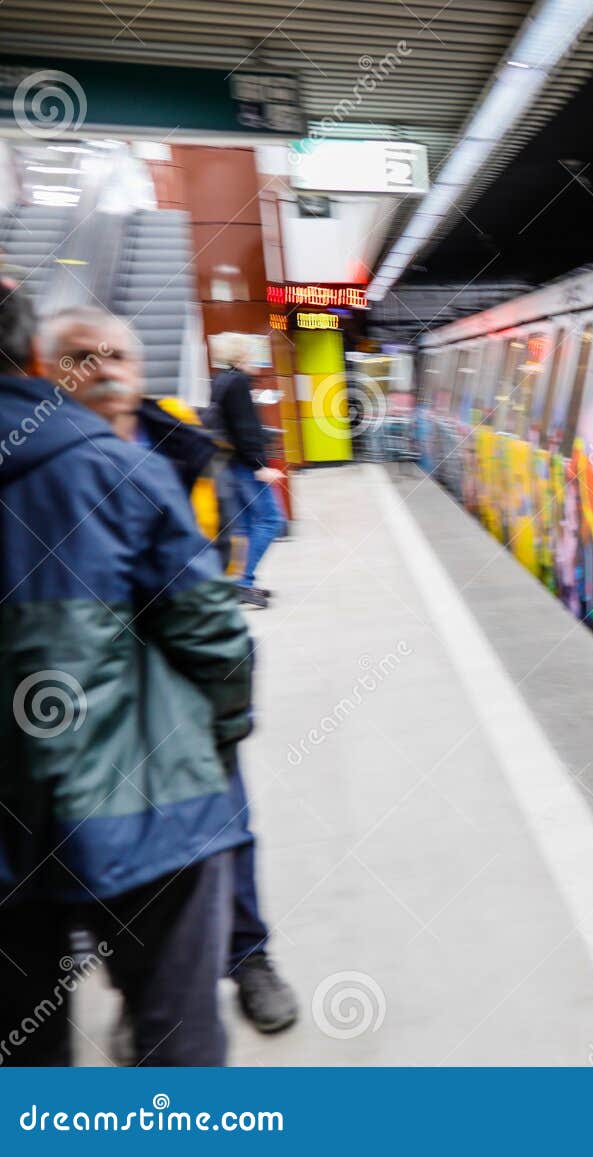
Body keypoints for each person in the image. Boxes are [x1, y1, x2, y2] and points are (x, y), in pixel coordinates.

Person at [0, 287, 252, 1066]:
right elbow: (215, 636)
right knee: (174, 1039)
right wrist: (220, 734)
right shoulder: (113, 467)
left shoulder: (156, 450)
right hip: (150, 811)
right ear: (37, 360)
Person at [39, 307, 300, 1040]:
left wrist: (224, 715)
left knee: (227, 832)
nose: (103, 369)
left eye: (117, 354)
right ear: (49, 369)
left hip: (183, 696)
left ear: (140, 367)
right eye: (83, 355)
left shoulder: (174, 446)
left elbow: (207, 606)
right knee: (111, 858)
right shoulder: (37, 464)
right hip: (84, 710)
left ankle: (249, 959)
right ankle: (142, 989)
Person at [209, 335, 284, 609]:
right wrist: (260, 466)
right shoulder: (238, 382)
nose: (255, 358)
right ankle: (243, 582)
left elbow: (229, 426)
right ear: (240, 355)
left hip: (228, 463)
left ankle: (240, 581)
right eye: (251, 353)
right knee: (270, 520)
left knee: (245, 525)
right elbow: (244, 429)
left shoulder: (218, 380)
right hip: (244, 465)